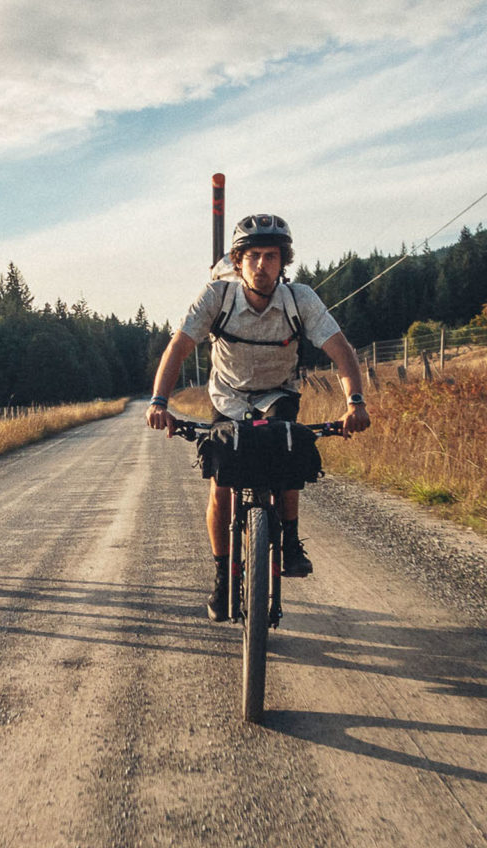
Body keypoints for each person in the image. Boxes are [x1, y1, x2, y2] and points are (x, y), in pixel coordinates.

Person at [145, 213, 370, 620]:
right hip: (228, 396)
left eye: (271, 257)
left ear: (283, 262)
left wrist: (355, 401)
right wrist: (159, 402)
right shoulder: (217, 296)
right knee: (222, 485)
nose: (262, 265)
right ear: (238, 261)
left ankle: (290, 541)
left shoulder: (299, 299)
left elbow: (341, 351)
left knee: (286, 453)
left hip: (278, 392)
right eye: (252, 257)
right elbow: (178, 348)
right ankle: (222, 576)